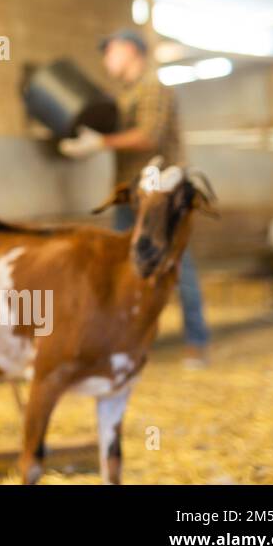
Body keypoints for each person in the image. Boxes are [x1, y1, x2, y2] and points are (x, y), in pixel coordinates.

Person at [59, 28, 210, 367]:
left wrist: (101, 143)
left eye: (110, 51)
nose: (106, 59)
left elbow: (149, 137)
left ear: (130, 50)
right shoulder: (126, 95)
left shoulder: (152, 87)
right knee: (129, 265)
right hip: (132, 193)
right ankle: (127, 340)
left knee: (176, 264)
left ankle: (197, 342)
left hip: (162, 195)